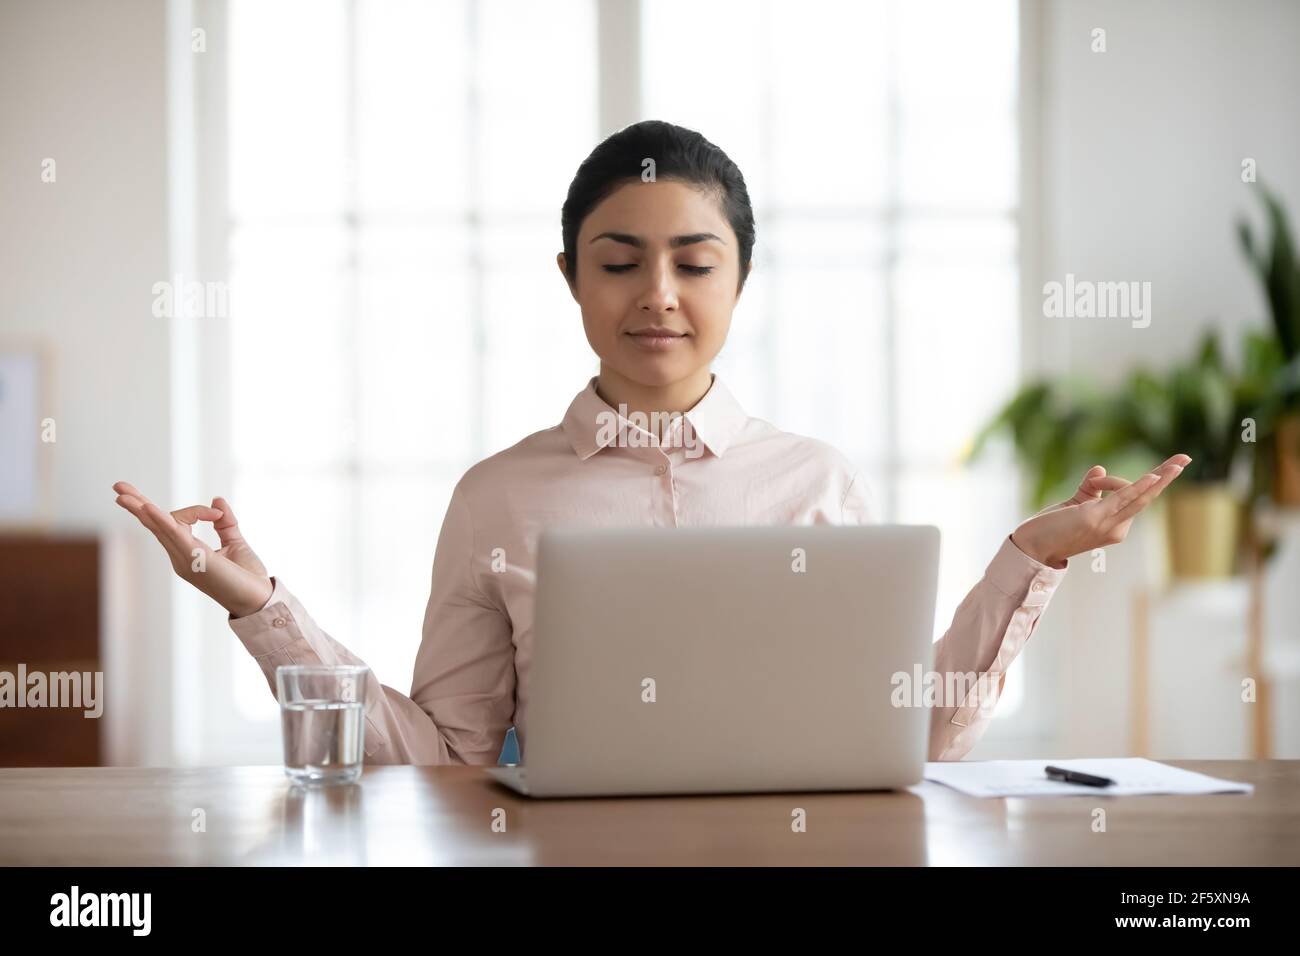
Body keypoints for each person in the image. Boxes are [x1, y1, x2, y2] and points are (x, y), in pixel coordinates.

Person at [112, 120, 1190, 766]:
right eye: (619, 260)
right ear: (572, 278)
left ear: (740, 277)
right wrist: (259, 603)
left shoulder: (820, 483)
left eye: (695, 260)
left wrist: (1033, 555)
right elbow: (444, 754)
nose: (658, 297)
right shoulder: (498, 497)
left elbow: (914, 737)